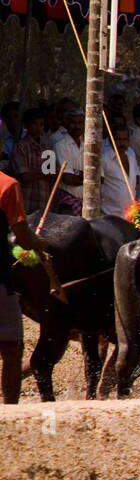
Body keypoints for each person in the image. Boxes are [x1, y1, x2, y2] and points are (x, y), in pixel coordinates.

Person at [1, 167, 50, 403]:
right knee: (12, 347)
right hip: (0, 280)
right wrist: (40, 243)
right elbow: (23, 237)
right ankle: (9, 409)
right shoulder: (7, 185)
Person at [99, 115, 140, 220]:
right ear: (111, 139)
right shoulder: (104, 158)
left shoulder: (131, 156)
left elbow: (136, 181)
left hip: (130, 215)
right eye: (118, 139)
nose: (121, 143)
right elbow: (98, 183)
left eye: (125, 139)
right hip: (109, 215)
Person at [14, 109, 51, 214]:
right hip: (26, 202)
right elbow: (24, 175)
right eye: (34, 124)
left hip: (44, 202)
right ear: (26, 125)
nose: (38, 128)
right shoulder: (20, 146)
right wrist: (44, 173)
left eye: (41, 124)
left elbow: (52, 174)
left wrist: (37, 173)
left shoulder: (47, 146)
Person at [50, 108, 84, 215]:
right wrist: (88, 178)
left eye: (80, 123)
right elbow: (67, 178)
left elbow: (100, 179)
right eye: (73, 123)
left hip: (87, 203)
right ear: (66, 124)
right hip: (67, 203)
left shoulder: (89, 148)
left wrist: (76, 174)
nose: (77, 126)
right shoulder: (60, 146)